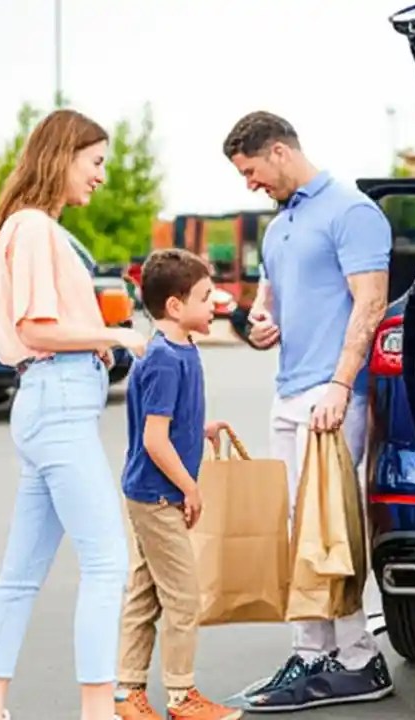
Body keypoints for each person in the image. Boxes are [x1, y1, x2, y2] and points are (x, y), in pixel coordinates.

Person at [0, 108, 148, 720]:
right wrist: (117, 336)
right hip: (59, 405)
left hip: (47, 402)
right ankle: (99, 710)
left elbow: (42, 328)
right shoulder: (35, 228)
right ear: (63, 155)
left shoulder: (27, 227)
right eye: (95, 162)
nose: (100, 176)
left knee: (20, 576)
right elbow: (36, 327)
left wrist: (93, 338)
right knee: (107, 563)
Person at [221, 111, 395, 712]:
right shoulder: (279, 227)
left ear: (278, 151)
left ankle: (359, 659)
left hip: (332, 394)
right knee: (298, 529)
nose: (249, 184)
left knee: (331, 528)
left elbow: (369, 305)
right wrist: (259, 326)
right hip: (289, 390)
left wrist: (342, 385)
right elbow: (267, 305)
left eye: (250, 171)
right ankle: (312, 652)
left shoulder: (352, 212)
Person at [112, 249, 240, 720]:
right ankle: (182, 697)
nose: (214, 304)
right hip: (158, 495)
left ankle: (128, 694)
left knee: (145, 594)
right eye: (206, 298)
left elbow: (165, 422)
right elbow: (154, 440)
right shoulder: (165, 358)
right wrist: (191, 488)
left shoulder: (180, 349)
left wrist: (198, 428)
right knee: (184, 598)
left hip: (149, 492)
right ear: (175, 307)